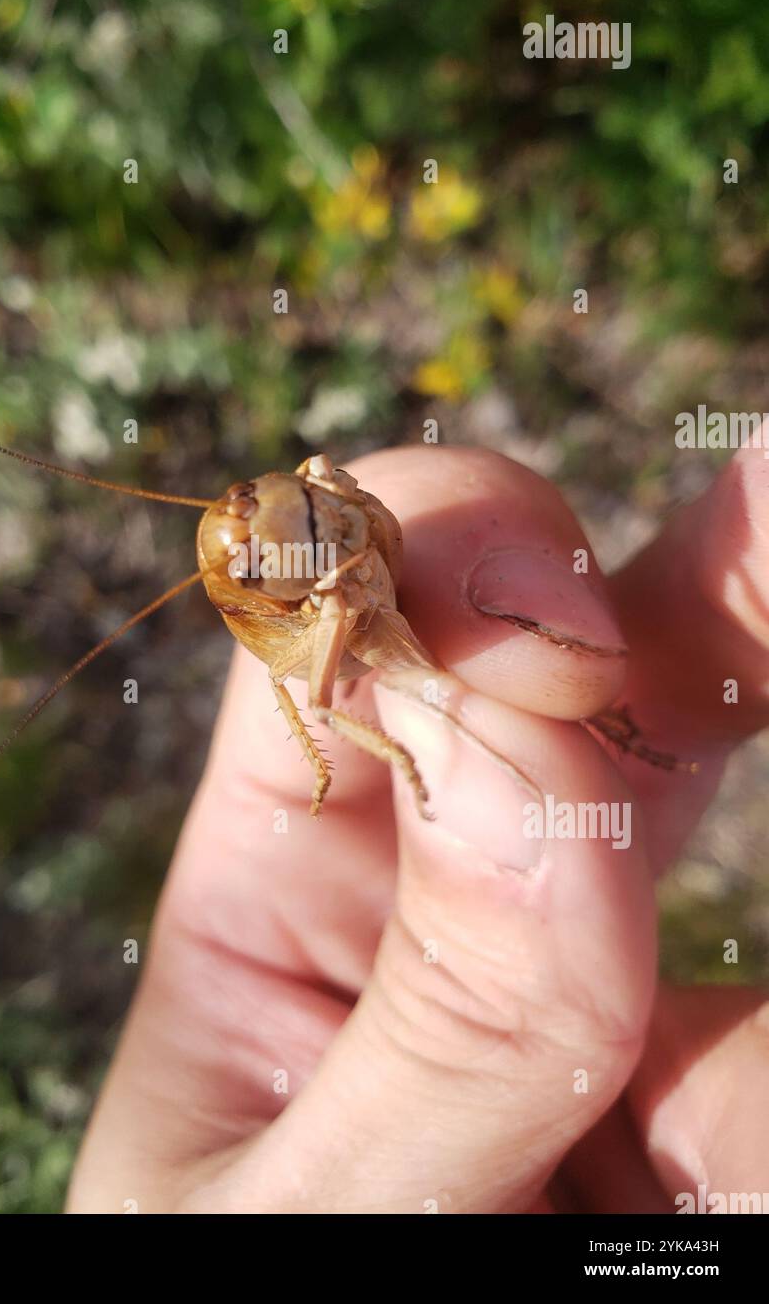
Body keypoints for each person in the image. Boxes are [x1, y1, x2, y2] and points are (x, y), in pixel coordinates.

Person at [68, 433, 769, 1213]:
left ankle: (630, 722)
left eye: (255, 506)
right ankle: (491, 744)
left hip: (395, 590)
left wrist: (342, 506)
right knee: (387, 694)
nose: (259, 516)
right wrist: (377, 762)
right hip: (355, 635)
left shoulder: (289, 498)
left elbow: (333, 479)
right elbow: (308, 690)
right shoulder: (287, 593)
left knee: (533, 655)